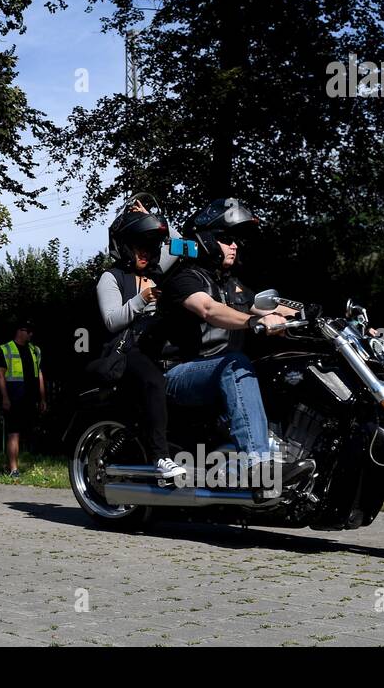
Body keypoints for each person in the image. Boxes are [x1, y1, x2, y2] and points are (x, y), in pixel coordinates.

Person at [156, 198, 294, 469]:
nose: (234, 245)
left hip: (214, 371)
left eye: (236, 240)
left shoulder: (231, 284)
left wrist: (319, 315)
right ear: (206, 240)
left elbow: (270, 306)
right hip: (178, 373)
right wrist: (253, 322)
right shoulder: (184, 278)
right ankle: (257, 462)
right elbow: (208, 309)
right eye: (226, 238)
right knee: (236, 364)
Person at [96, 201, 186, 480]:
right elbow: (112, 320)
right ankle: (161, 457)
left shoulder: (156, 272)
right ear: (125, 246)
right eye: (139, 246)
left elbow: (180, 243)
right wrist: (141, 299)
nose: (145, 252)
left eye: (150, 246)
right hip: (129, 349)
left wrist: (152, 217)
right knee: (154, 381)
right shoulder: (111, 277)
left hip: (162, 345)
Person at [0, 321, 46, 479]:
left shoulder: (35, 350)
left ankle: (12, 464)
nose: (31, 334)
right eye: (28, 331)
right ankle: (13, 469)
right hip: (13, 395)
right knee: (14, 433)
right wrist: (5, 398)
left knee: (26, 432)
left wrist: (43, 398)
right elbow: (0, 374)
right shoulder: (5, 349)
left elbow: (40, 374)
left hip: (30, 397)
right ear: (19, 331)